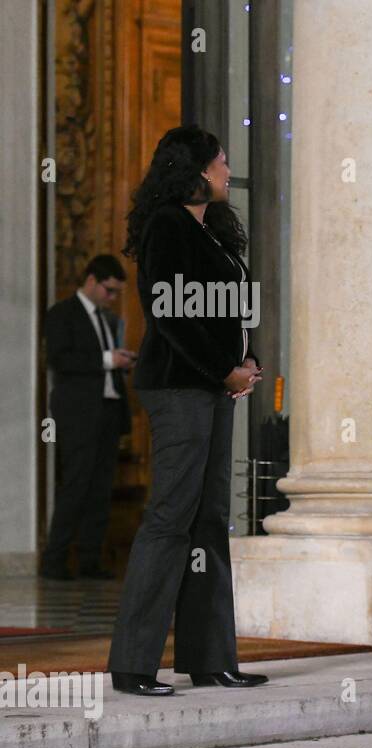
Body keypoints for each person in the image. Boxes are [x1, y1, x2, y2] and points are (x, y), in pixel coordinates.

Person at [106, 125, 267, 697]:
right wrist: (223, 368)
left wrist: (247, 358)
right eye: (221, 162)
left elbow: (233, 305)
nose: (227, 171)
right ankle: (133, 663)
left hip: (216, 387)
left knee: (209, 518)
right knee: (171, 516)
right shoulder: (165, 226)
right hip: (179, 388)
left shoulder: (216, 230)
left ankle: (210, 658)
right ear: (198, 169)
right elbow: (171, 317)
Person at [40, 255, 136, 580]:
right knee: (76, 485)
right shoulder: (62, 314)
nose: (112, 298)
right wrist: (109, 359)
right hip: (78, 414)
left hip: (107, 411)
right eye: (109, 290)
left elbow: (102, 362)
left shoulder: (108, 320)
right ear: (92, 280)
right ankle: (54, 560)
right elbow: (60, 359)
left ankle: (89, 560)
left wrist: (119, 361)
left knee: (100, 489)